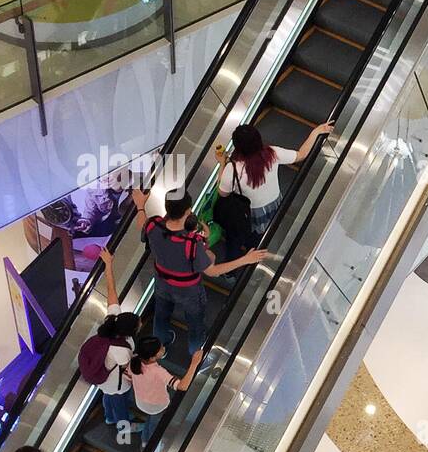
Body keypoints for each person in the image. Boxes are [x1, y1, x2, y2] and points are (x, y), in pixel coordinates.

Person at [131, 187, 270, 361]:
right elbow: (212, 271)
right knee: (195, 324)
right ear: (188, 211)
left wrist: (140, 206)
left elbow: (141, 224)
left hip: (162, 282)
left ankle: (160, 345)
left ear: (167, 208)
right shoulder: (192, 242)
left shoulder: (154, 225)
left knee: (161, 315)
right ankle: (195, 354)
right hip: (189, 290)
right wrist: (245, 259)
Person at [217, 120, 332, 261]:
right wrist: (316, 131)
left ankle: (246, 259)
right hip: (275, 202)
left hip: (251, 212)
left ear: (237, 147)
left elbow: (222, 193)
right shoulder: (272, 153)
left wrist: (222, 163)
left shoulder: (233, 169)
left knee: (242, 236)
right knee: (267, 230)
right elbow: (301, 155)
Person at [89, 247, 141, 428]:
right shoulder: (122, 351)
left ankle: (108, 416)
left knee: (108, 397)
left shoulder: (112, 320)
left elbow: (111, 292)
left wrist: (108, 264)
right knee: (119, 401)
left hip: (102, 377)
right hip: (116, 384)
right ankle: (123, 426)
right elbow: (130, 372)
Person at [125, 338, 203, 447]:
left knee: (151, 418)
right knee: (155, 424)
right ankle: (147, 445)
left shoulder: (134, 361)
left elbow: (128, 376)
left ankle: (144, 435)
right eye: (161, 349)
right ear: (152, 357)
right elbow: (182, 386)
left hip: (141, 401)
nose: (164, 348)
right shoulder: (158, 372)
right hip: (157, 405)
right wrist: (194, 363)